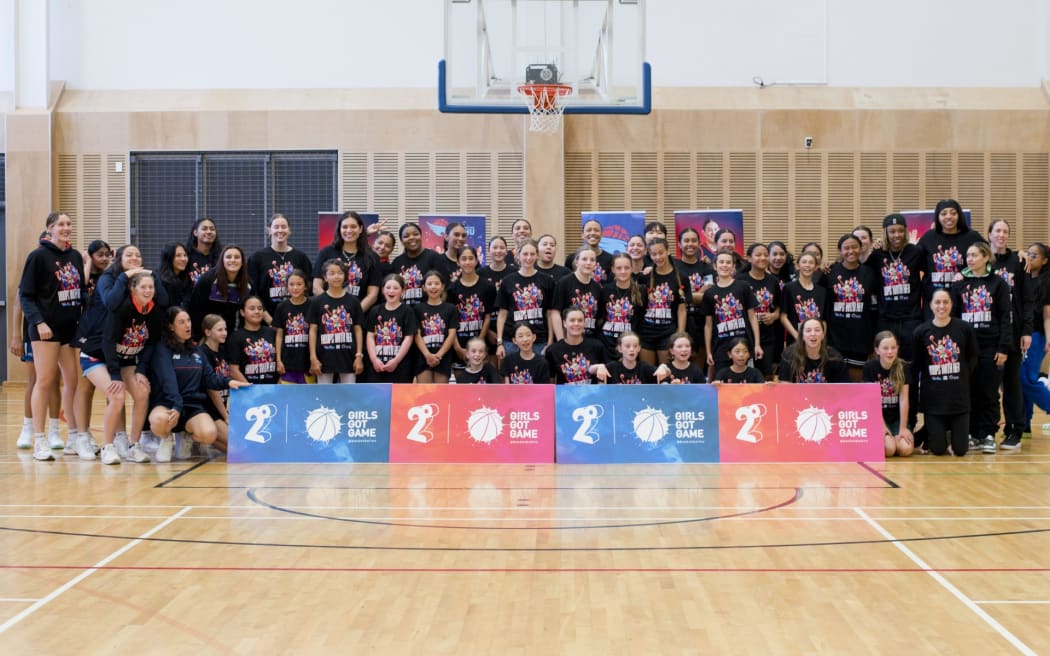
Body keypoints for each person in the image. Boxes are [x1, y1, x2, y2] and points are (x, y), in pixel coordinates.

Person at [18, 212, 86, 460]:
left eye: (68, 224)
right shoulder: (38, 256)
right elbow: (25, 296)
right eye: (60, 224)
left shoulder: (75, 256)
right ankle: (39, 439)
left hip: (70, 328)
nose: (66, 228)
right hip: (46, 328)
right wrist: (39, 322)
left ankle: (74, 437)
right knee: (45, 381)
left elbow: (79, 290)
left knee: (72, 382)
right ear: (50, 229)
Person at [147, 307, 249, 461]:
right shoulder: (162, 349)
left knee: (209, 434)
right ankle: (166, 438)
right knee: (159, 420)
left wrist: (229, 382)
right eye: (181, 322)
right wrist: (177, 406)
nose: (187, 325)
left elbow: (210, 378)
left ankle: (186, 435)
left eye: (188, 320)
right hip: (168, 403)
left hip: (192, 405)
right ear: (171, 327)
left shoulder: (196, 350)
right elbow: (168, 380)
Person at [98, 271, 166, 464]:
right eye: (143, 287)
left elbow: (151, 343)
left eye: (151, 287)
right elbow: (108, 341)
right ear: (132, 289)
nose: (148, 290)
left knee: (142, 393)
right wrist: (115, 375)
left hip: (127, 360)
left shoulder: (154, 311)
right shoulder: (123, 308)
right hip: (99, 358)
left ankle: (133, 446)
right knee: (117, 396)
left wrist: (141, 370)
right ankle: (107, 447)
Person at [951, 241, 1011, 454]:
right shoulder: (959, 284)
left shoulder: (998, 284)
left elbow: (1005, 318)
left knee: (988, 392)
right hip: (966, 349)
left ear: (986, 257)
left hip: (990, 346)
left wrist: (1003, 348)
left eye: (975, 255)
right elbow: (953, 318)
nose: (970, 259)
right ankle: (972, 433)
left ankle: (988, 434)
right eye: (968, 255)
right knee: (968, 392)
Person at [912, 288, 979, 456]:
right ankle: (935, 433)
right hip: (933, 401)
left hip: (959, 400)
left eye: (945, 302)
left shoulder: (964, 328)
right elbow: (917, 364)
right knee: (938, 449)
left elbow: (973, 356)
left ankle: (951, 434)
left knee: (961, 451)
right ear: (930, 305)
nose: (941, 306)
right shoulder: (921, 332)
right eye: (937, 302)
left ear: (951, 304)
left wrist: (963, 376)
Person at [987, 219, 1033, 450]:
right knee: (988, 384)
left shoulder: (1019, 261)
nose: (1001, 235)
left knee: (1011, 383)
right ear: (989, 234)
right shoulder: (981, 260)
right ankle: (985, 430)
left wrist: (1027, 331)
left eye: (1005, 231)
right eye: (998, 230)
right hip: (987, 333)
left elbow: (1027, 299)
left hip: (1013, 331)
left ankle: (1015, 429)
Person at [866, 214, 924, 362]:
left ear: (905, 231)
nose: (896, 235)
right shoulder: (877, 254)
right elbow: (861, 271)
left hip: (911, 318)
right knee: (886, 361)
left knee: (910, 362)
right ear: (885, 233)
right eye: (892, 231)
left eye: (900, 231)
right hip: (886, 318)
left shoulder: (916, 252)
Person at [918, 198, 985, 318]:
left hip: (962, 301)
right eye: (944, 213)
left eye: (953, 213)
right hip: (934, 302)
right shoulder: (928, 237)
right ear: (937, 217)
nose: (949, 216)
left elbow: (989, 256)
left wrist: (1018, 253)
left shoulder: (971, 237)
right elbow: (912, 260)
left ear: (959, 215)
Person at [825, 233, 878, 379]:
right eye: (846, 248)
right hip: (834, 339)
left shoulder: (869, 272)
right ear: (840, 251)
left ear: (860, 248)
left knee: (856, 383)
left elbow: (874, 306)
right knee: (834, 382)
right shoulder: (829, 272)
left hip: (860, 338)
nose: (851, 251)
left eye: (854, 247)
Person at [704, 249, 761, 376]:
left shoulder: (743, 287)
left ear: (733, 266)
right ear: (715, 266)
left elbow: (752, 317)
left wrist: (757, 344)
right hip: (721, 348)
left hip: (744, 347)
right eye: (721, 262)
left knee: (746, 382)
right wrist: (708, 352)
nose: (725, 265)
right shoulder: (709, 293)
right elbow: (708, 325)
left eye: (728, 262)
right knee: (724, 383)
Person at [307, 260, 365, 384]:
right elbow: (312, 330)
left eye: (340, 273)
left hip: (348, 357)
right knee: (324, 393)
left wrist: (359, 356)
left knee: (349, 393)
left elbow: (358, 329)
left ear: (345, 276)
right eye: (332, 273)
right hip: (324, 358)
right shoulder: (317, 302)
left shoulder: (353, 301)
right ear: (325, 277)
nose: (336, 276)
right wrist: (313, 358)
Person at [496, 240, 555, 359]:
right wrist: (500, 342)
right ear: (518, 255)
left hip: (539, 340)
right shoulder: (507, 281)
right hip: (512, 341)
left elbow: (550, 314)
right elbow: (502, 314)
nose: (529, 258)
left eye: (532, 254)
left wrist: (550, 341)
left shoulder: (547, 280)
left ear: (537, 255)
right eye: (525, 254)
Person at [248, 213, 313, 318]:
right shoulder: (257, 258)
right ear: (269, 230)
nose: (280, 230)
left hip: (295, 319)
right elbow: (253, 293)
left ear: (289, 230)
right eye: (276, 227)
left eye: (283, 227)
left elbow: (309, 290)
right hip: (267, 319)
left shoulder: (301, 257)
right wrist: (268, 320)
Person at [312, 211, 377, 311]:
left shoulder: (371, 257)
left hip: (358, 314)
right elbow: (316, 287)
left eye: (353, 227)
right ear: (339, 230)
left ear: (360, 229)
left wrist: (354, 312)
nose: (349, 230)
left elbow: (373, 294)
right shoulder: (326, 253)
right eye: (345, 227)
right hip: (329, 313)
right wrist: (332, 309)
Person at [862, 331, 913, 457]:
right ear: (877, 350)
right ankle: (889, 440)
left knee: (905, 449)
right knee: (889, 450)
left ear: (897, 348)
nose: (890, 352)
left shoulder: (903, 367)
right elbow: (872, 402)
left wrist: (902, 428)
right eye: (885, 348)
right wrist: (882, 427)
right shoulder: (869, 367)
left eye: (893, 348)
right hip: (878, 417)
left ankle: (896, 437)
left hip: (896, 419)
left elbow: (904, 399)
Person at [639, 238, 687, 365]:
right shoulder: (645, 277)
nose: (658, 257)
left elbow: (682, 309)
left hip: (668, 333)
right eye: (654, 254)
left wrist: (680, 334)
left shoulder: (681, 277)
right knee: (648, 372)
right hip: (646, 333)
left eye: (661, 253)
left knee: (666, 372)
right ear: (649, 255)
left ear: (668, 251)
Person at [1019, 242, 1050, 438]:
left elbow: (1047, 315)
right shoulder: (1023, 276)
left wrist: (1049, 339)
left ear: (1045, 261)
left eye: (1034, 255)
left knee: (1027, 379)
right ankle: (1024, 424)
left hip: (1037, 335)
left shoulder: (1046, 282)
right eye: (1028, 254)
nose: (1029, 258)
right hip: (1021, 334)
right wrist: (1022, 253)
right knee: (1021, 379)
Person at [188, 245, 251, 340]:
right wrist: (196, 337)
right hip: (205, 331)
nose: (233, 260)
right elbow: (195, 309)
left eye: (237, 257)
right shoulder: (208, 280)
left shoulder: (247, 283)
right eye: (228, 257)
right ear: (222, 261)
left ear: (242, 262)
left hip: (229, 331)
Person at [365, 274, 418, 383]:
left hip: (401, 366)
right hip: (378, 365)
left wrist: (396, 361)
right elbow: (370, 336)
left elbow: (408, 338)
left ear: (403, 291)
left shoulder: (407, 311)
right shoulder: (375, 311)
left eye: (395, 288)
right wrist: (374, 359)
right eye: (388, 287)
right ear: (382, 290)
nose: (391, 291)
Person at [740, 243, 782, 376]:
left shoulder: (773, 281)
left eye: (765, 255)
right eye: (758, 255)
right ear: (749, 258)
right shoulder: (740, 280)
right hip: (744, 335)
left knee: (766, 374)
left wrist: (774, 316)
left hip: (768, 335)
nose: (763, 258)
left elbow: (779, 306)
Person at [450, 246, 495, 366]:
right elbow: (450, 322)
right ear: (458, 262)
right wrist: (457, 348)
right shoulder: (452, 289)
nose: (467, 262)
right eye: (464, 259)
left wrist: (479, 342)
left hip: (481, 345)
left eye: (471, 258)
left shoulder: (488, 287)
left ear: (476, 261)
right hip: (460, 345)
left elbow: (487, 316)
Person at [675, 228, 714, 368]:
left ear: (698, 244)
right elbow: (674, 295)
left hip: (701, 320)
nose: (690, 244)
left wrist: (685, 296)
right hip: (678, 320)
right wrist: (697, 295)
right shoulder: (673, 266)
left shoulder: (706, 267)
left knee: (698, 364)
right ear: (679, 244)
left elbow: (708, 294)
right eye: (686, 240)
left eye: (693, 240)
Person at [413, 270, 459, 384]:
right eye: (429, 284)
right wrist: (427, 355)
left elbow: (451, 335)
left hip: (443, 356)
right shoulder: (417, 309)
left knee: (440, 392)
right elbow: (417, 335)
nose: (433, 287)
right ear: (424, 287)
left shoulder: (451, 309)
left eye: (437, 283)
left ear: (442, 286)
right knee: (424, 392)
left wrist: (439, 355)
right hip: (423, 356)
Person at [599, 253, 645, 360]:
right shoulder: (605, 290)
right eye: (619, 268)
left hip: (630, 346)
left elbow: (641, 319)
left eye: (626, 268)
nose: (623, 271)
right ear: (613, 269)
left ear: (632, 268)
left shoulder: (641, 291)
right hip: (607, 344)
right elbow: (600, 318)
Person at [552, 246, 603, 340]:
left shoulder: (597, 287)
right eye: (584, 259)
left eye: (592, 260)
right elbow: (555, 312)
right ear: (576, 261)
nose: (588, 263)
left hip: (590, 340)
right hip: (568, 340)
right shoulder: (564, 282)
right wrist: (561, 340)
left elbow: (599, 318)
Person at [777, 318, 850, 383]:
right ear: (802, 336)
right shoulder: (789, 355)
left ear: (823, 335)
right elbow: (785, 386)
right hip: (797, 394)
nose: (813, 334)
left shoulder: (834, 357)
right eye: (808, 331)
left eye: (817, 330)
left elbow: (842, 387)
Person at [545, 306, 606, 384]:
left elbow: (604, 377)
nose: (576, 323)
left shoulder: (597, 346)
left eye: (580, 320)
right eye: (572, 320)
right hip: (564, 392)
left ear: (584, 323)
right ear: (564, 323)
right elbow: (551, 382)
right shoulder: (553, 350)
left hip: (591, 392)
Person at [228, 296, 280, 386]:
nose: (257, 311)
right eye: (252, 309)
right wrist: (251, 389)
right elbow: (233, 370)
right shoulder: (235, 337)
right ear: (242, 312)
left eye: (260, 308)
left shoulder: (272, 333)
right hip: (247, 390)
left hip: (274, 388)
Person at [273, 270, 312, 384]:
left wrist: (314, 359)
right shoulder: (281, 307)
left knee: (307, 394)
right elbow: (279, 335)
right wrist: (279, 360)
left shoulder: (312, 305)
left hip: (307, 364)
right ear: (287, 286)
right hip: (288, 363)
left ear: (305, 286)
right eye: (291, 284)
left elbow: (316, 333)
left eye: (299, 284)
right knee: (288, 394)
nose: (295, 288)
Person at [391, 222, 441, 307]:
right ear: (401, 241)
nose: (411, 237)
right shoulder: (397, 262)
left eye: (415, 234)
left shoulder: (434, 257)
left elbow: (444, 288)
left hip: (428, 311)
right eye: (406, 236)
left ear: (421, 236)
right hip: (404, 311)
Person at [780, 251, 826, 343]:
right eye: (804, 262)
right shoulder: (788, 288)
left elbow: (824, 320)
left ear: (816, 267)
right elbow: (783, 317)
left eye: (811, 262)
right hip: (795, 341)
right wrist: (797, 336)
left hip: (815, 341)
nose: (807, 265)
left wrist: (821, 337)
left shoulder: (822, 291)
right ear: (798, 266)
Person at [593, 331, 670, 384]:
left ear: (639, 348)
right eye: (627, 346)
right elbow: (590, 370)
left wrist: (663, 367)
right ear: (620, 349)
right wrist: (599, 366)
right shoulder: (613, 367)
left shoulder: (644, 367)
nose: (632, 349)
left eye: (635, 346)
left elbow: (666, 374)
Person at [199, 314, 232, 424]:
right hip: (209, 408)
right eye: (220, 330)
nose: (224, 333)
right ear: (207, 332)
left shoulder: (223, 350)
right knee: (229, 435)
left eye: (225, 329)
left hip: (224, 405)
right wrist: (226, 416)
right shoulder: (203, 352)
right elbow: (211, 389)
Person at [565, 219, 614, 284]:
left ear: (601, 234)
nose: (593, 233)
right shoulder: (571, 259)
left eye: (596, 230)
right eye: (588, 230)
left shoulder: (611, 259)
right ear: (582, 235)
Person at [185, 217, 221, 284]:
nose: (209, 232)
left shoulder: (222, 257)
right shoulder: (186, 256)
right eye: (204, 229)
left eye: (212, 229)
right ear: (195, 232)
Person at [158, 242, 193, 309]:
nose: (183, 259)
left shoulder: (187, 279)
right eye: (178, 255)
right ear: (169, 258)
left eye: (185, 255)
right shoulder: (161, 282)